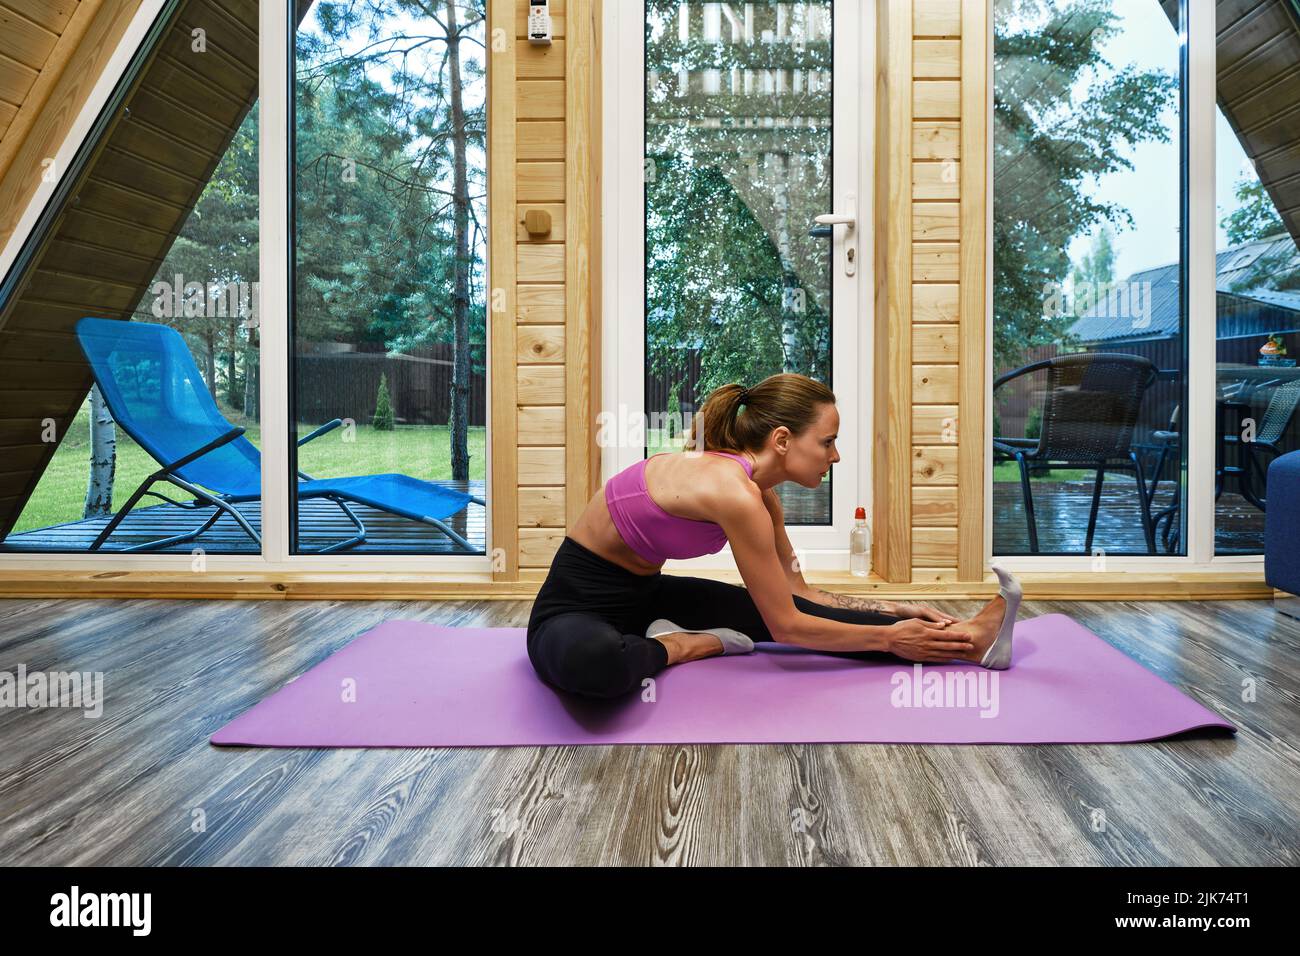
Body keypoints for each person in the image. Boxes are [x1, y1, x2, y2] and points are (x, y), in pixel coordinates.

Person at [525, 373, 1019, 699]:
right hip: (575, 606)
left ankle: (967, 641)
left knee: (800, 617)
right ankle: (684, 646)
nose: (835, 456)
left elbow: (799, 596)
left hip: (648, 596)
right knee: (594, 665)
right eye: (827, 442)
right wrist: (890, 640)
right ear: (782, 440)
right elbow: (788, 629)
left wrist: (891, 611)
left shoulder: (761, 497)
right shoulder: (733, 493)